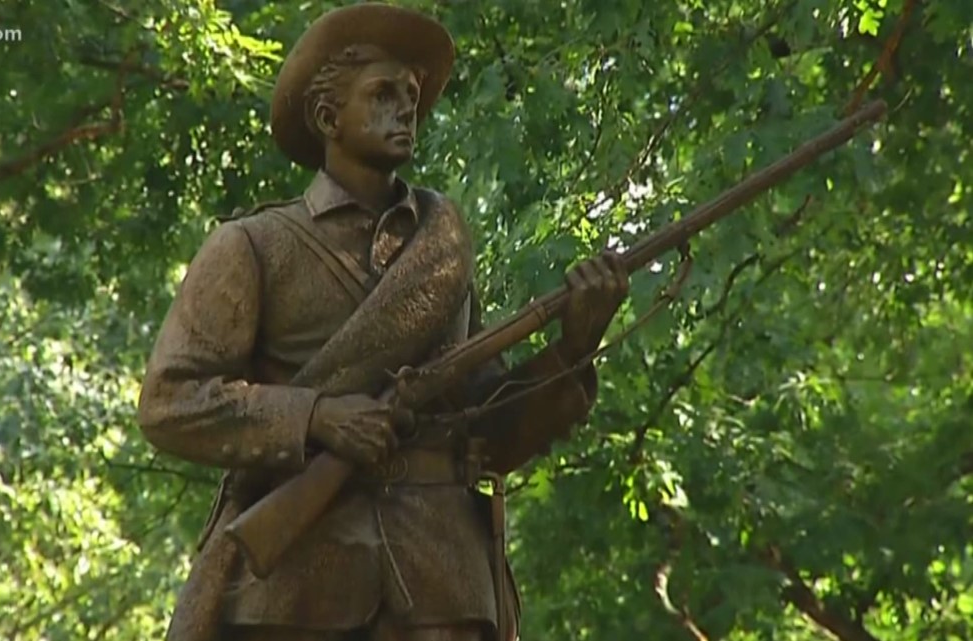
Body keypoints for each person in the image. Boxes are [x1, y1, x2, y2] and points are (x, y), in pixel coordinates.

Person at [135, 4, 629, 641]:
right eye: (383, 93)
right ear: (327, 117)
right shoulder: (251, 246)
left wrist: (574, 349)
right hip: (298, 588)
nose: (406, 109)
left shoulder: (441, 249)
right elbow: (169, 403)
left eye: (413, 96)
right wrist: (314, 416)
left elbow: (489, 433)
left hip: (444, 585)